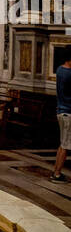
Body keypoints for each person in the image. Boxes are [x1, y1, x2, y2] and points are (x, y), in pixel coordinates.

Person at [50, 46, 71, 181]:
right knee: (65, 145)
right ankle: (57, 174)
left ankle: (55, 172)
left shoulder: (59, 69)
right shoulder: (69, 74)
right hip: (68, 113)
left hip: (60, 111)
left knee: (62, 144)